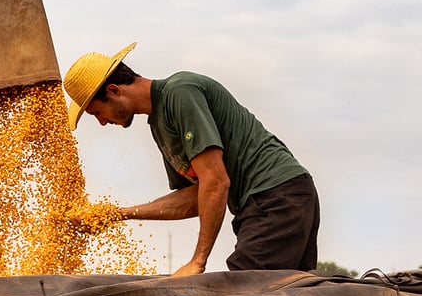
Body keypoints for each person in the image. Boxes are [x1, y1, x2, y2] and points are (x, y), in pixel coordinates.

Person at [64, 42, 319, 277]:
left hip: (276, 195)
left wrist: (198, 260)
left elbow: (216, 182)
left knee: (241, 291)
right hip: (271, 201)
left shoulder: (180, 92)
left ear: (114, 90)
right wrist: (118, 214)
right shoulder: (159, 125)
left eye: (97, 112)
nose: (102, 122)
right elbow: (196, 197)